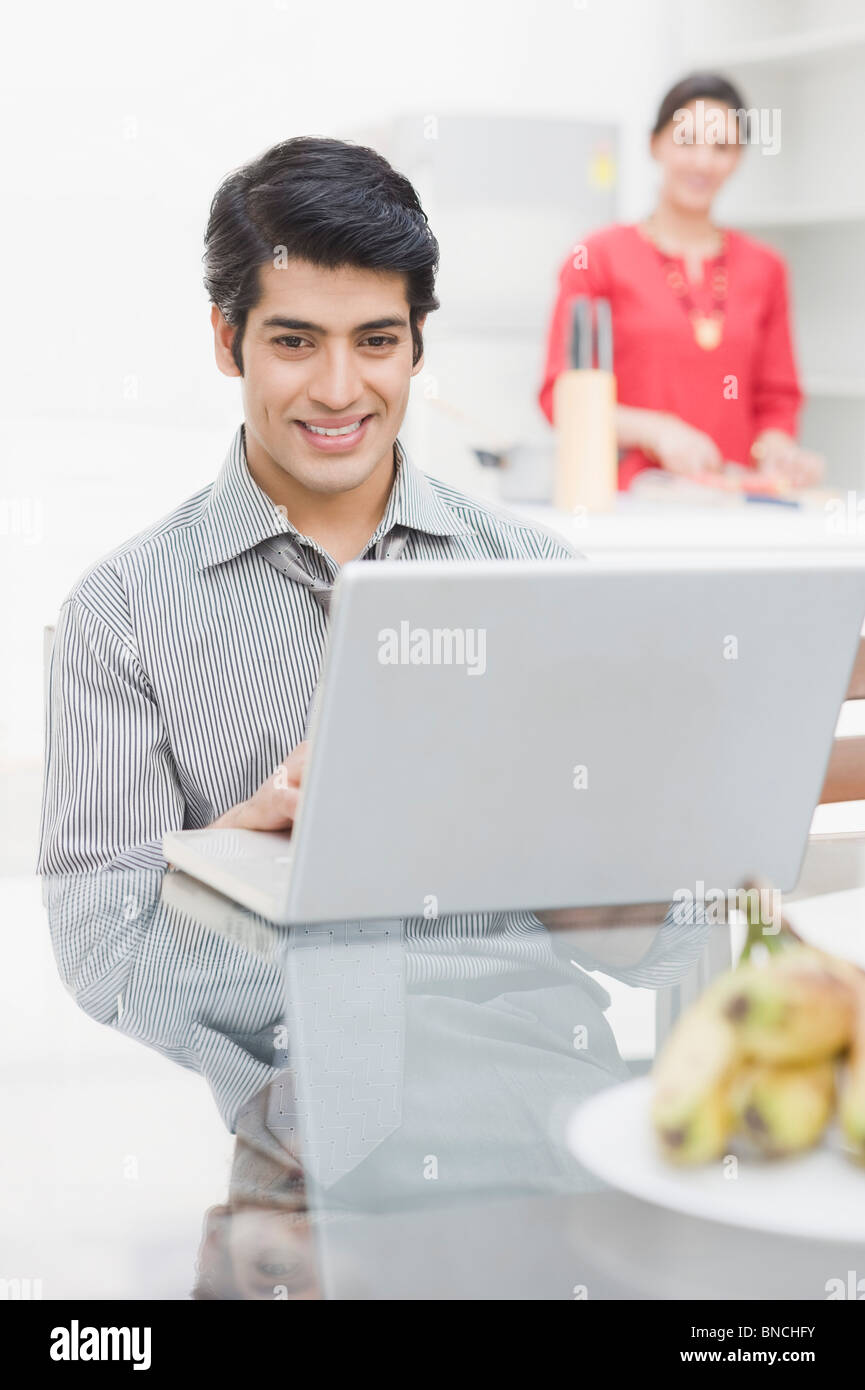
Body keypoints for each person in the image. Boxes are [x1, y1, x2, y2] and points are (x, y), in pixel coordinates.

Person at [36, 136, 578, 875]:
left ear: (416, 346)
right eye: (295, 341)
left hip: (509, 995)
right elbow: (98, 948)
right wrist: (232, 855)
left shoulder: (544, 579)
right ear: (230, 342)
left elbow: (650, 939)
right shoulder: (119, 613)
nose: (337, 388)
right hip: (251, 996)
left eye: (376, 341)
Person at [538, 72, 823, 492]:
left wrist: (779, 453)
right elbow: (561, 398)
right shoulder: (597, 258)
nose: (703, 161)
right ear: (655, 144)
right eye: (687, 141)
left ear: (739, 157)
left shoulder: (766, 268)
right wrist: (657, 431)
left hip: (733, 506)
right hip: (629, 504)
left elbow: (776, 403)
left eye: (721, 146)